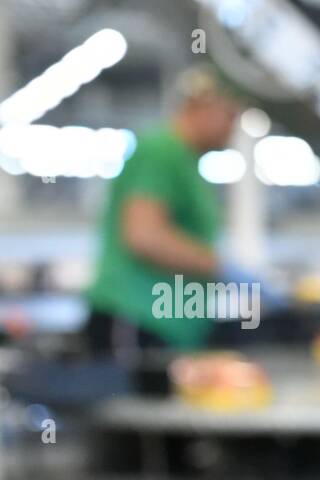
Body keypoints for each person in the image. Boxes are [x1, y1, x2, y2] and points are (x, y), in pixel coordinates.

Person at [84, 67, 242, 358]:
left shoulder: (187, 162)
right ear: (204, 106)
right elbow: (144, 235)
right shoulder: (161, 151)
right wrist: (220, 267)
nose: (234, 127)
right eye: (230, 114)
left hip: (167, 326)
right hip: (138, 320)